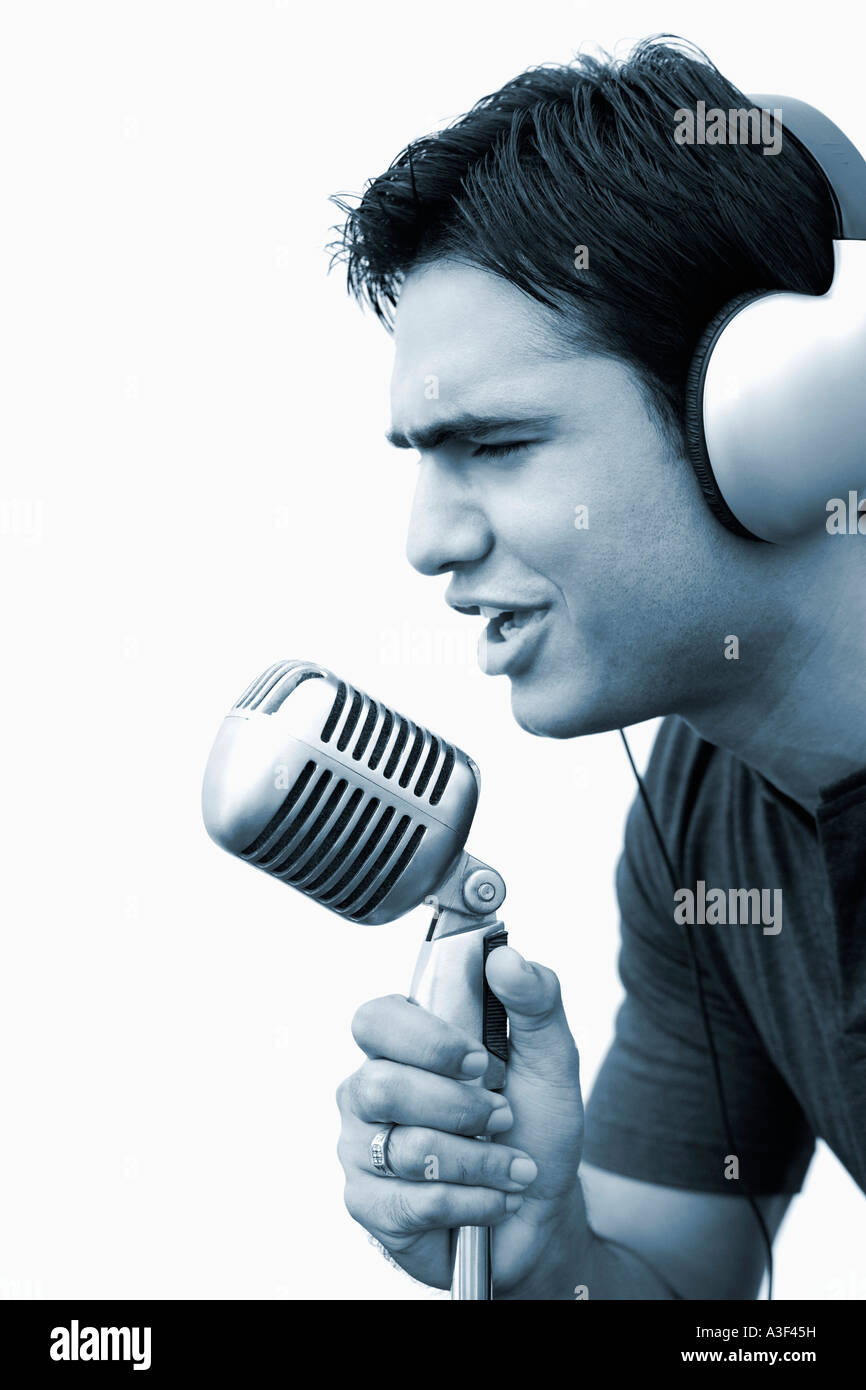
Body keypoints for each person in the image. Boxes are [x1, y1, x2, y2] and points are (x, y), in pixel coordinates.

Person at [330, 36, 866, 1298]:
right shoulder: (699, 815)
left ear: (781, 408)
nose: (428, 542)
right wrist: (549, 1254)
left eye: (496, 444)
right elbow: (684, 1292)